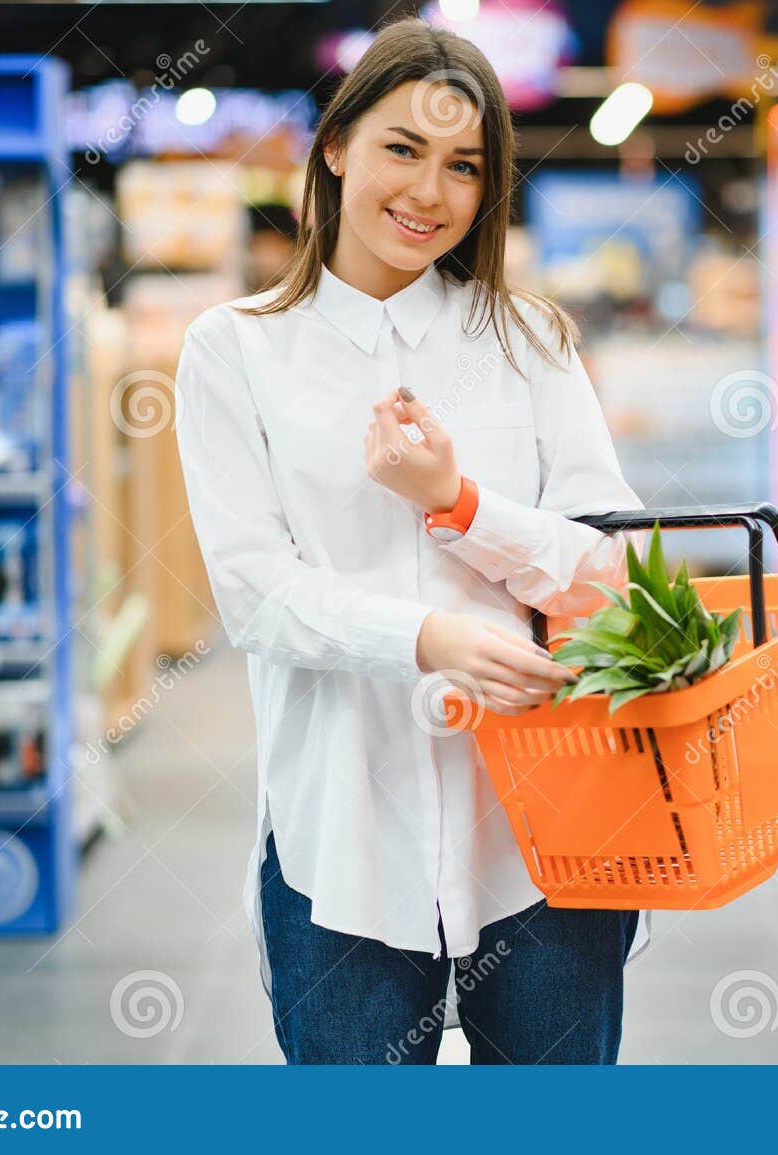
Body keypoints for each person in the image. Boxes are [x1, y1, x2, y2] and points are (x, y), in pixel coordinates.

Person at [172, 18, 644, 1065]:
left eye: (464, 166)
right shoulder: (235, 351)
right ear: (335, 146)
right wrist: (426, 635)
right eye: (402, 149)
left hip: (541, 835)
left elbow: (605, 567)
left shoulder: (530, 344)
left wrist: (461, 504)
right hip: (337, 845)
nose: (429, 191)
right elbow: (256, 595)